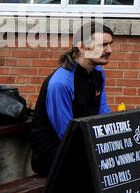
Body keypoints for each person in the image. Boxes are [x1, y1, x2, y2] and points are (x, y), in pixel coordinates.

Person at [30, 21, 114, 176]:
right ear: (82, 47)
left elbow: (104, 116)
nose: (109, 50)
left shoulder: (98, 74)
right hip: (52, 154)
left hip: (82, 145)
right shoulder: (60, 83)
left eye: (110, 44)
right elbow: (66, 133)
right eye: (103, 45)